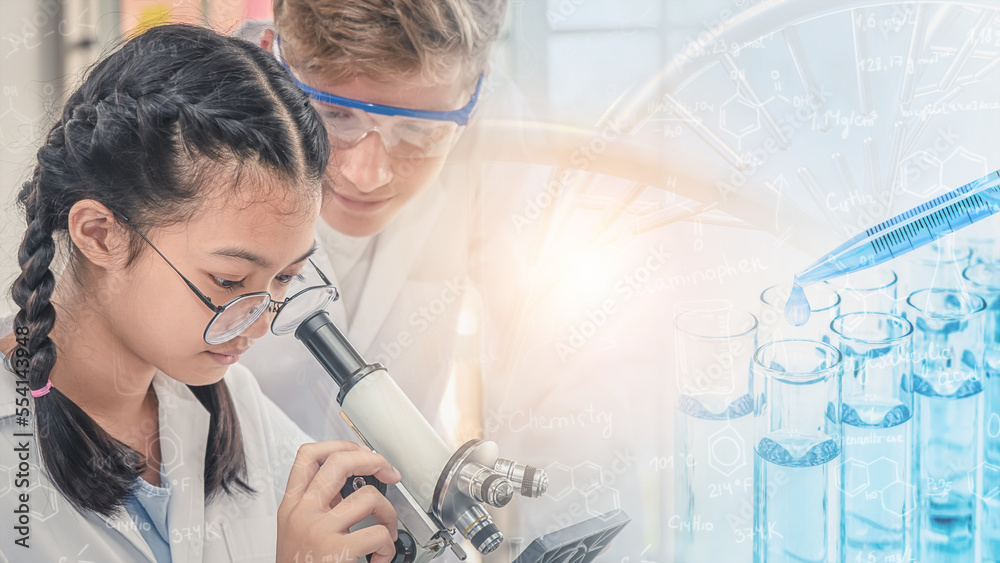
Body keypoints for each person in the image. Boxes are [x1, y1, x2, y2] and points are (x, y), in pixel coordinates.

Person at [0, 24, 403, 562]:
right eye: (230, 281)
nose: (259, 325)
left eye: (284, 278)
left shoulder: (234, 404)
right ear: (100, 234)